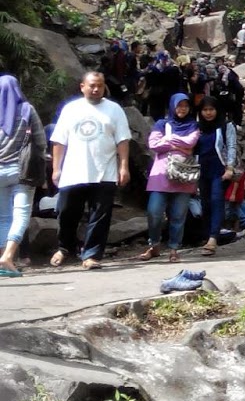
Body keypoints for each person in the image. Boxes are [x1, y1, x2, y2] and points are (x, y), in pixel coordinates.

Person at [49, 71, 132, 270]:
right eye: (92, 85)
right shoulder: (71, 109)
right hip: (73, 171)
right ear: (82, 86)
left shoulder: (114, 109)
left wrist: (124, 166)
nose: (96, 89)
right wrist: (56, 169)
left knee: (100, 215)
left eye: (100, 86)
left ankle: (91, 255)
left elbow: (122, 139)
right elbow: (59, 140)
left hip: (105, 171)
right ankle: (65, 248)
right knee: (66, 212)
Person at [141, 93, 199, 262]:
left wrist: (168, 141)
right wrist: (179, 145)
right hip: (161, 175)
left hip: (184, 176)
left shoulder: (193, 124)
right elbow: (153, 144)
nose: (182, 109)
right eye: (179, 105)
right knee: (154, 212)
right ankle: (154, 245)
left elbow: (191, 142)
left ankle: (174, 249)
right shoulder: (162, 123)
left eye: (185, 106)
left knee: (178, 215)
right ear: (173, 106)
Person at [0, 76, 46, 277]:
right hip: (23, 171)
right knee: (21, 215)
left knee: (3, 218)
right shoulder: (27, 109)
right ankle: (8, 257)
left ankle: (3, 261)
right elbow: (40, 140)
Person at [195, 97, 235, 255]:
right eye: (205, 110)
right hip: (201, 170)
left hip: (219, 170)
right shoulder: (197, 127)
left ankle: (213, 238)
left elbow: (231, 146)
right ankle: (208, 234)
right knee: (205, 204)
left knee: (217, 200)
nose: (208, 113)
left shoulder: (226, 126)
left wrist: (230, 168)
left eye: (211, 109)